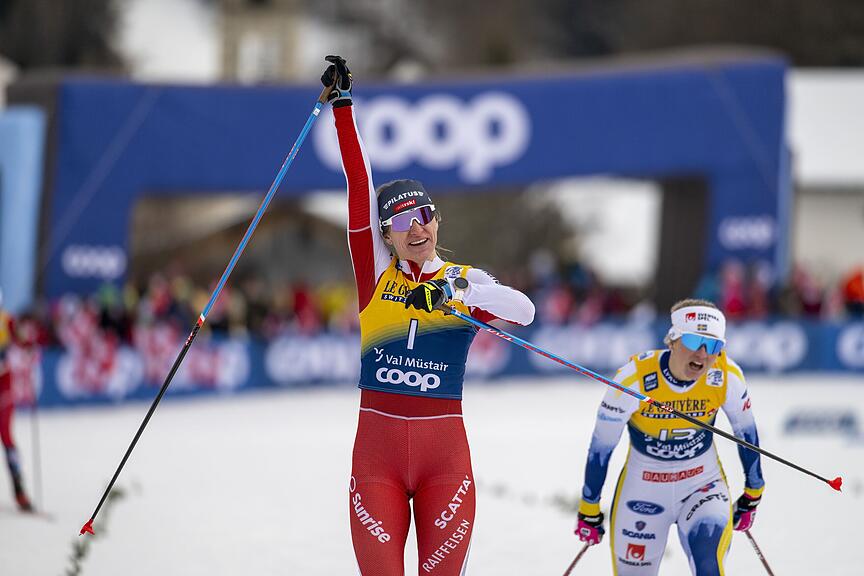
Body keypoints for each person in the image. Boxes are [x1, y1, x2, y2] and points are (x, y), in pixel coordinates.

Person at [322, 55, 535, 575]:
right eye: (400, 222)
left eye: (423, 216)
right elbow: (358, 182)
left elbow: (524, 312)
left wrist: (459, 288)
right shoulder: (375, 275)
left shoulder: (466, 281)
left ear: (436, 220)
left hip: (446, 461)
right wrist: (344, 108)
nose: (415, 229)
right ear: (385, 235)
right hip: (378, 460)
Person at [574, 298, 764, 575]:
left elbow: (745, 431)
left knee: (708, 564)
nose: (702, 354)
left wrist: (753, 492)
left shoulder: (726, 376)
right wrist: (589, 506)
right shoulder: (633, 379)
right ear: (673, 340)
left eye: (713, 345)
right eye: (693, 341)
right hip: (643, 489)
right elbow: (602, 446)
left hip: (702, 485)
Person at [0, 290, 34, 512]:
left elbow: (25, 340)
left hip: (4, 386)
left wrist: (29, 345)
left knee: (6, 436)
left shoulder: (6, 320)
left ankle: (20, 492)